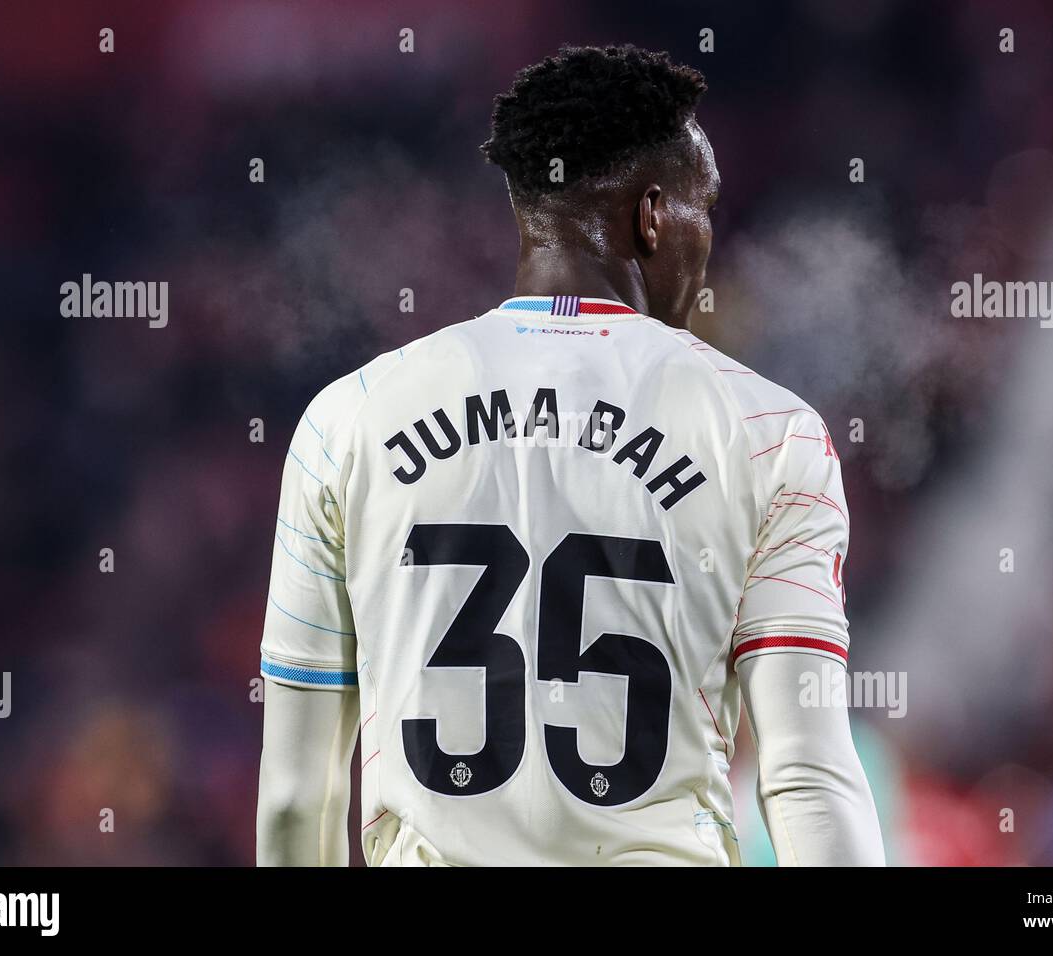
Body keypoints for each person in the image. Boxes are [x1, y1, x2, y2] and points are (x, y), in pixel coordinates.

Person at [256, 44, 884, 866]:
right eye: (707, 210)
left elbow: (298, 798)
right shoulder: (769, 431)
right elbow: (806, 779)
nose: (708, 245)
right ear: (654, 214)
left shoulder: (348, 420)